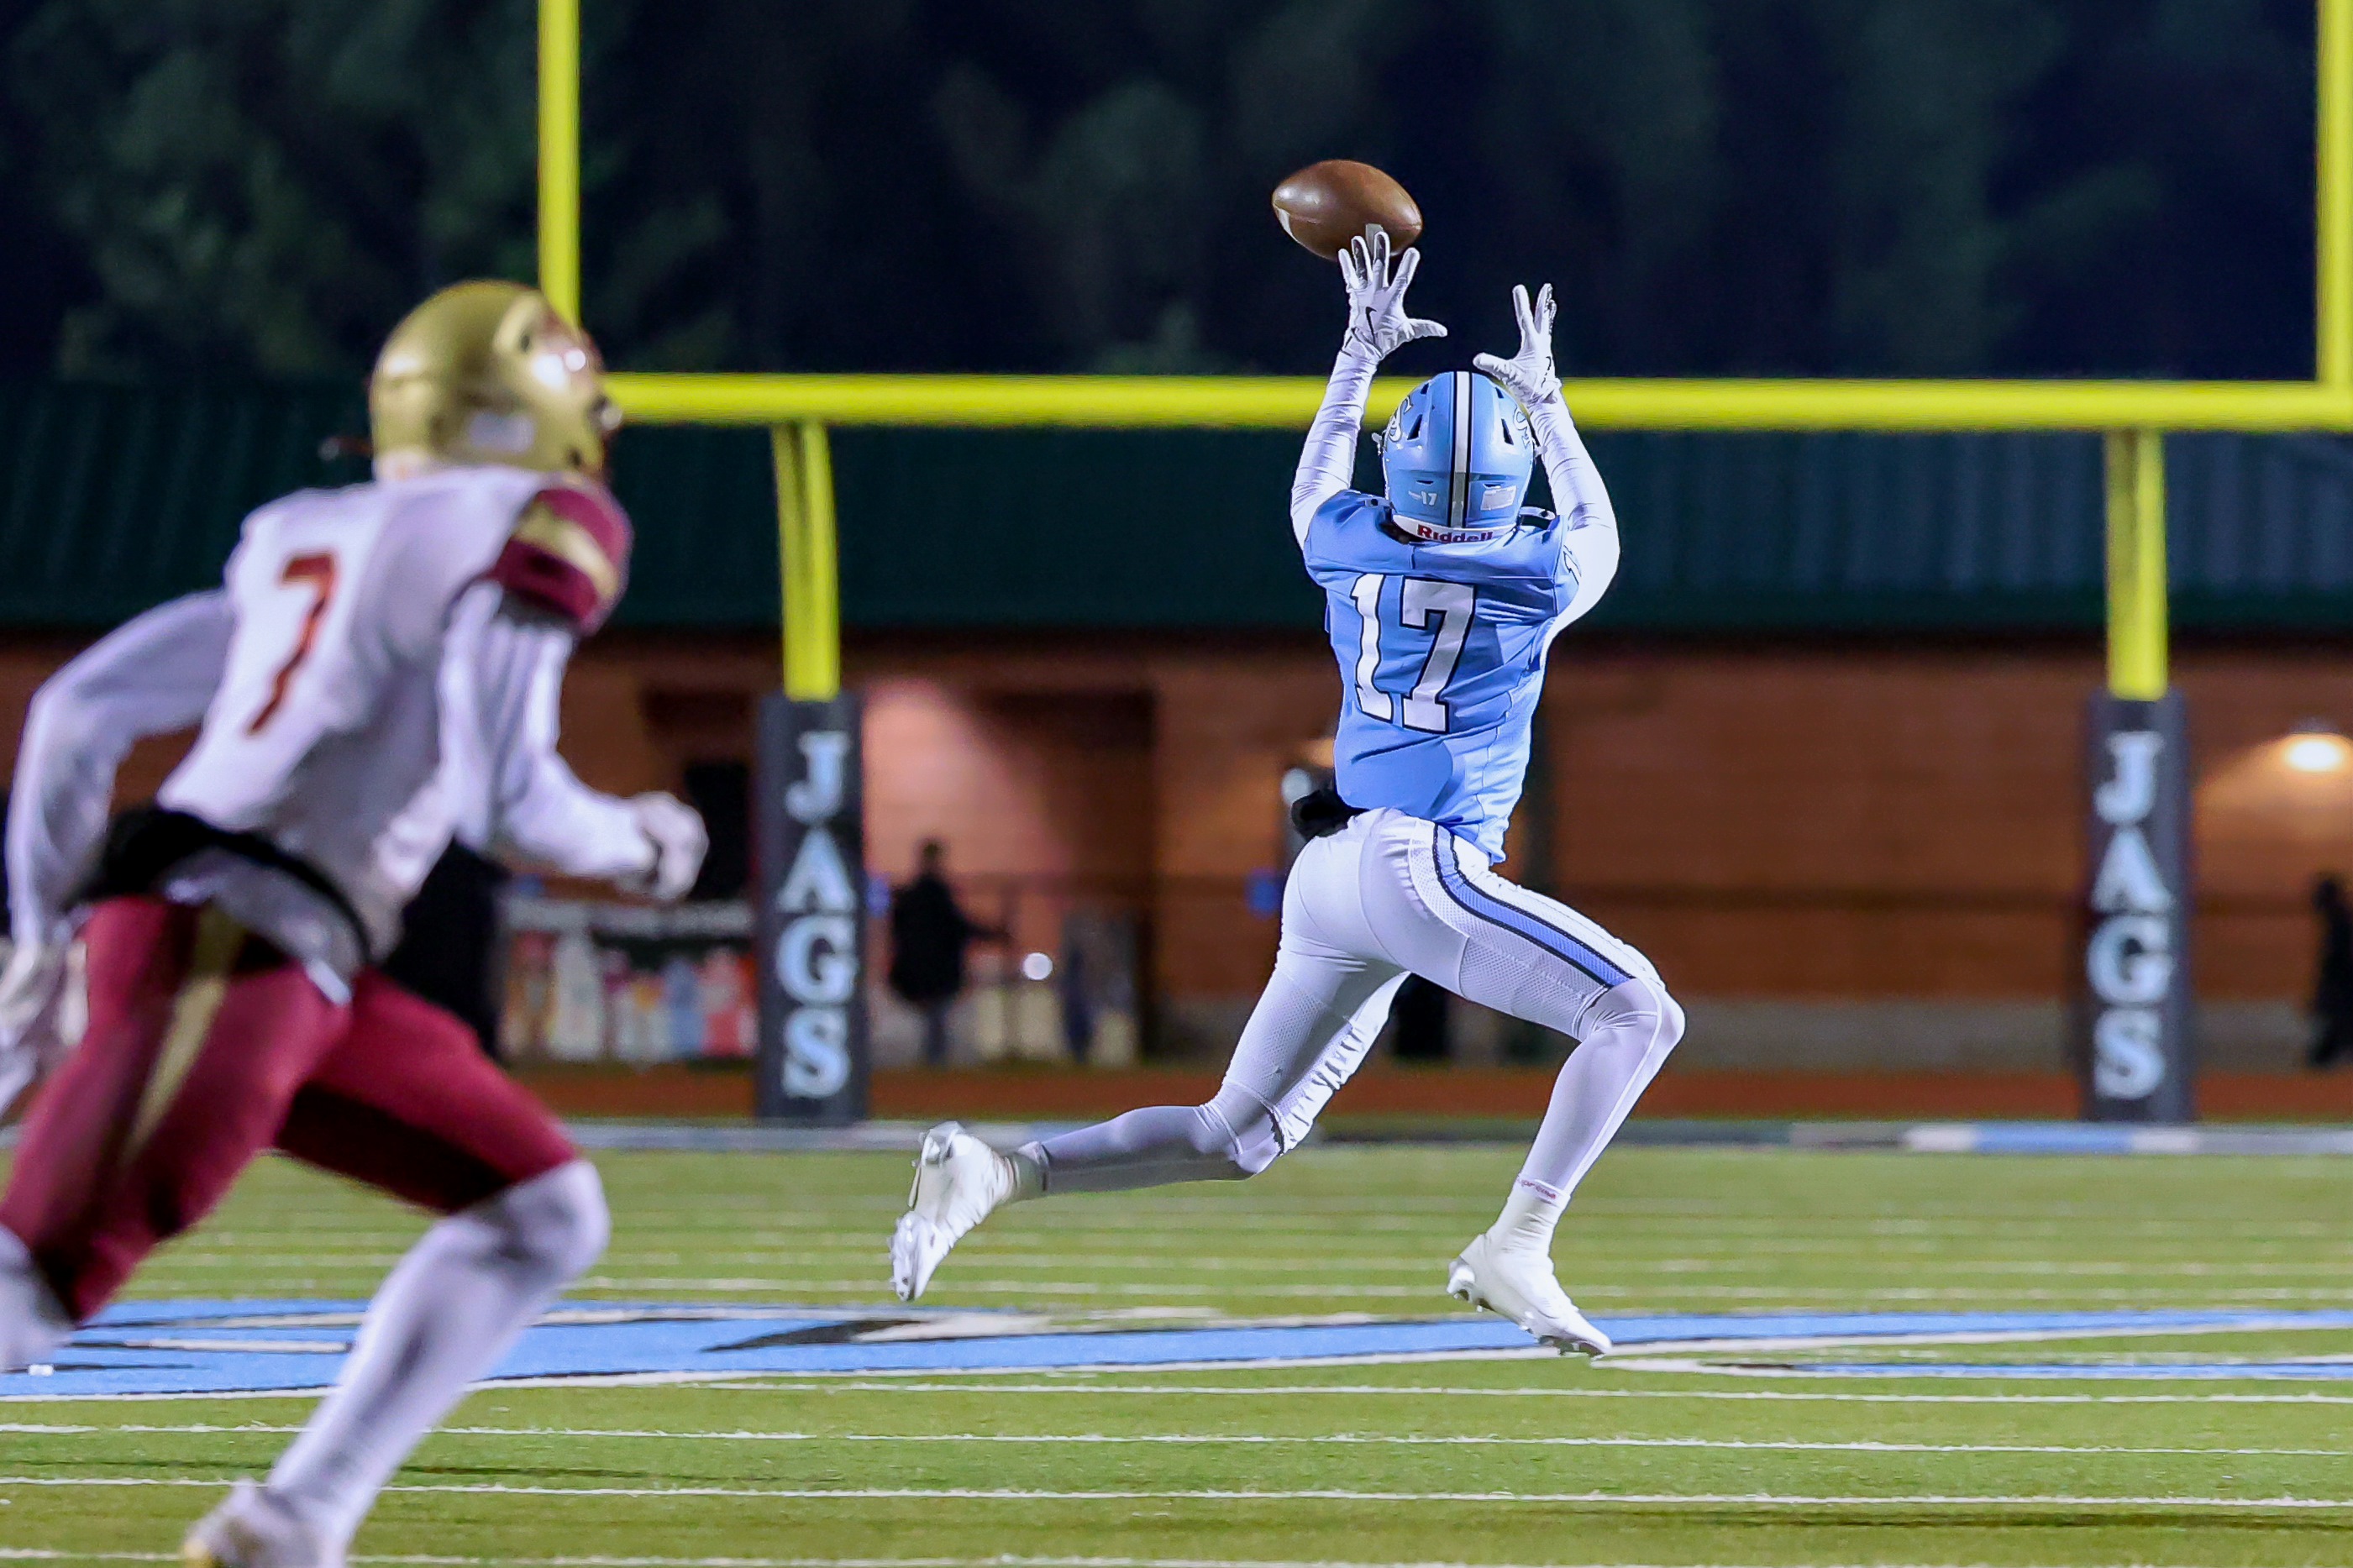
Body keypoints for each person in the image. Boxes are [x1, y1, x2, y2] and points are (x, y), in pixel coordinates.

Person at [0, 280, 707, 1567]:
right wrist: (643, 844)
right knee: (30, 1288)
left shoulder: (306, 533)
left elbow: (77, 715)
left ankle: (293, 1523)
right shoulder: (531, 523)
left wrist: (45, 938)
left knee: (544, 1210)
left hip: (281, 957)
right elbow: (507, 797)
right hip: (232, 951)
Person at [890, 230, 1683, 1356]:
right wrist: (1547, 403)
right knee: (1638, 1011)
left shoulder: (1345, 543)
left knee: (1238, 1133)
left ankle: (999, 1171)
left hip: (1332, 870)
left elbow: (1315, 482)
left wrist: (1357, 354)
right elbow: (1598, 529)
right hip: (1420, 863)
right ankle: (1518, 1239)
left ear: (1397, 466)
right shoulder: (1536, 573)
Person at [887, 839, 999, 1067]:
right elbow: (958, 926)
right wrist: (991, 934)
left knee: (934, 1018)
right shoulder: (934, 894)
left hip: (916, 968)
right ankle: (934, 1061)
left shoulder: (911, 896)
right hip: (936, 970)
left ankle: (933, 1061)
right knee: (935, 1017)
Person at [2312, 874, 2353, 1068]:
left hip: (2342, 991)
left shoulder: (2340, 922)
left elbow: (2337, 961)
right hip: (2341, 992)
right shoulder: (2339, 920)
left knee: (2337, 1035)